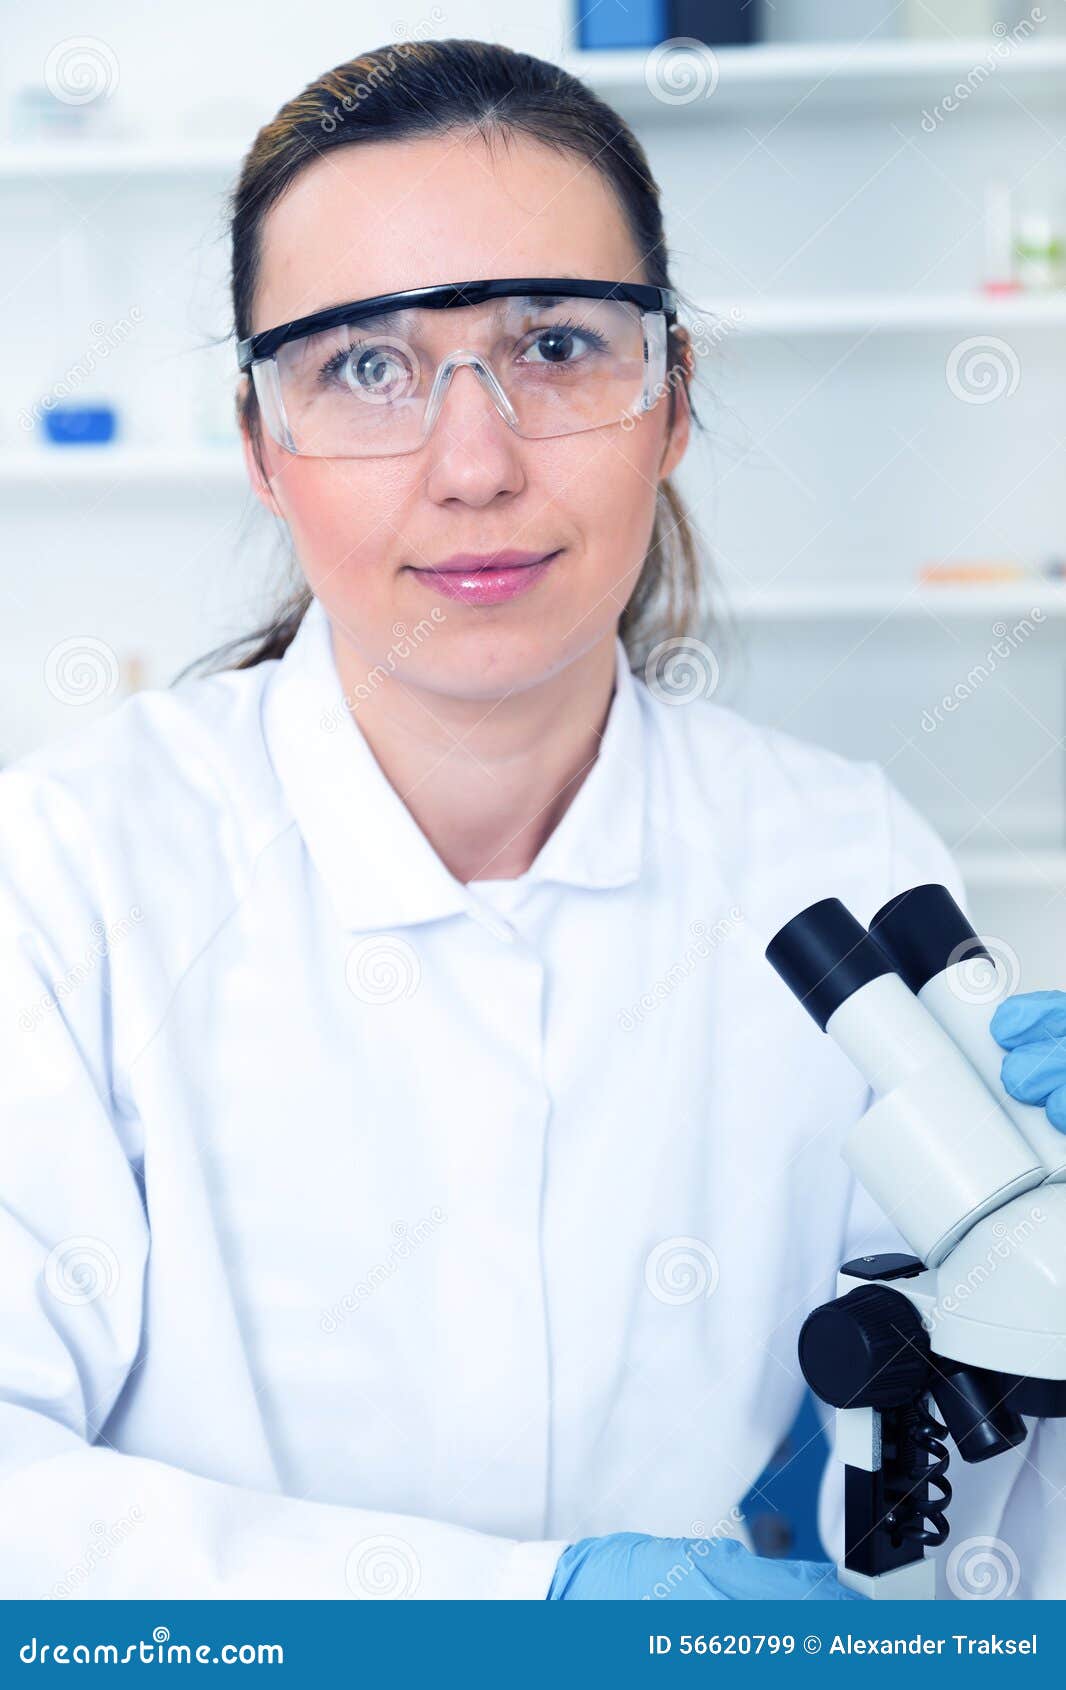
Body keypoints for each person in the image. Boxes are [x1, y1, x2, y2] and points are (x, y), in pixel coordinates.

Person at [1, 39, 1063, 1603]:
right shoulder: (72, 870)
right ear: (258, 447)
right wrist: (534, 1610)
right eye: (364, 365)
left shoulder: (836, 850)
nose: (477, 464)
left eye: (557, 344)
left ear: (672, 399)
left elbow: (967, 1519)